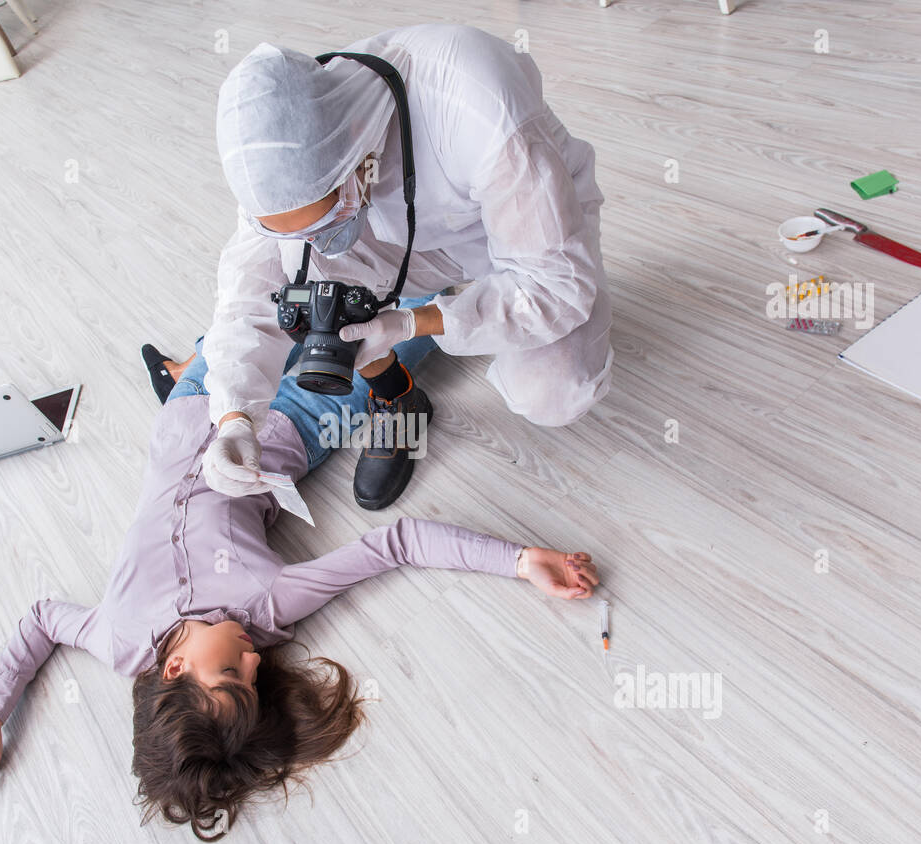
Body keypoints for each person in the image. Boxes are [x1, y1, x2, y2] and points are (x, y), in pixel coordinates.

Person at [0, 328, 601, 841]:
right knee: (418, 317)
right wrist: (518, 559)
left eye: (232, 673)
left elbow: (39, 620)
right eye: (254, 680)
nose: (257, 659)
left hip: (195, 406)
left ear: (173, 665)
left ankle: (184, 363)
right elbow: (393, 546)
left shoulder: (117, 636)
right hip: (293, 423)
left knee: (273, 293)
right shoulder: (264, 609)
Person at [201, 22, 613, 511]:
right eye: (290, 228)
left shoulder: (477, 103)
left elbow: (555, 286)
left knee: (552, 391)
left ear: (355, 144)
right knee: (311, 285)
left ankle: (462, 312)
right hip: (400, 230)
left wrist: (414, 322)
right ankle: (396, 399)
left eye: (323, 215)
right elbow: (247, 295)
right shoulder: (284, 167)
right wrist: (233, 417)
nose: (314, 240)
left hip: (523, 229)